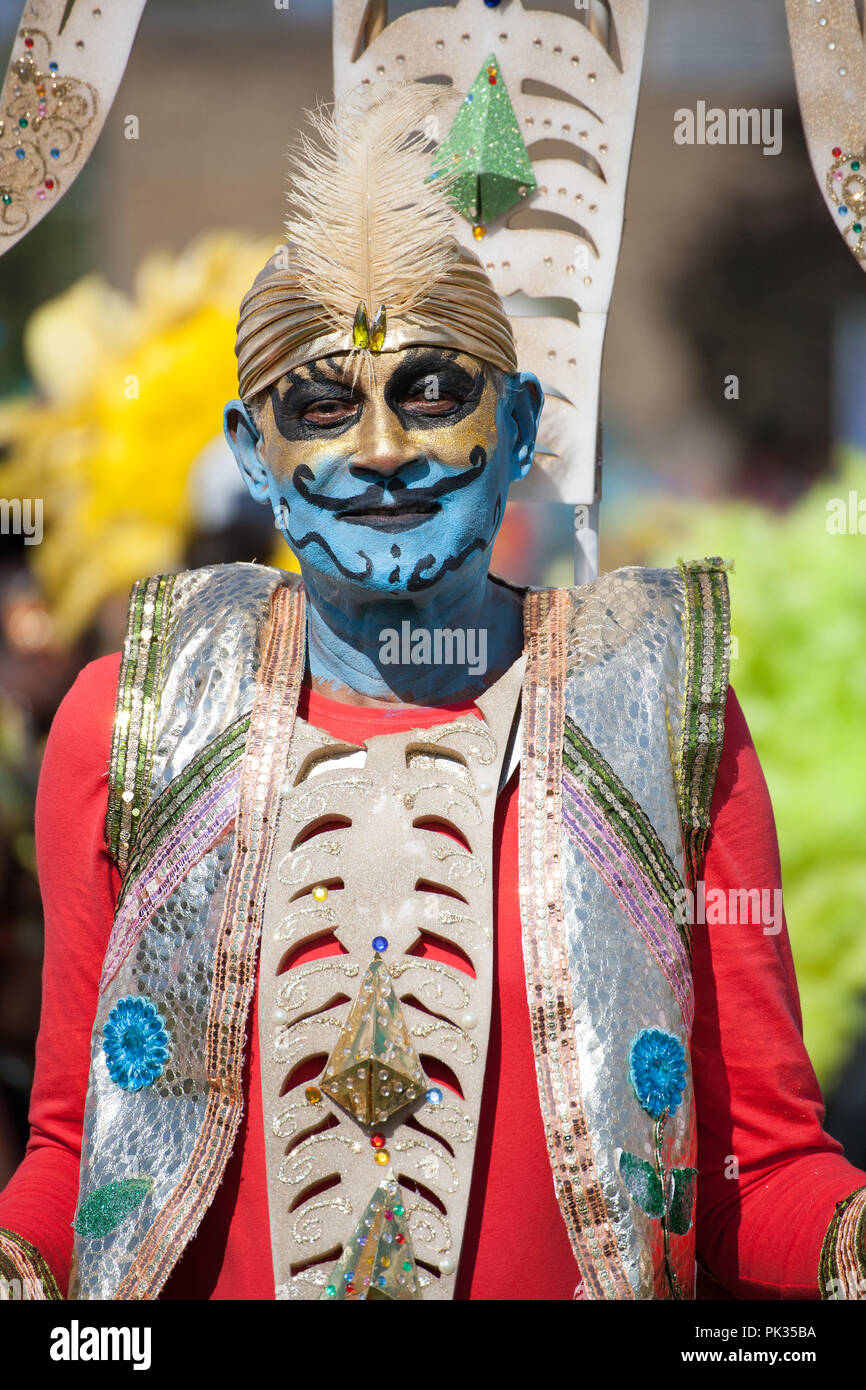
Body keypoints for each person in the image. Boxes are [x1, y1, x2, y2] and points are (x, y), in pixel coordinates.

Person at [0, 84, 864, 1302]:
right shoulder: (136, 710)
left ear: (516, 428)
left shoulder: (659, 697)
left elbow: (758, 1172)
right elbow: (76, 1160)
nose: (380, 452)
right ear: (254, 451)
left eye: (432, 391)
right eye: (321, 405)